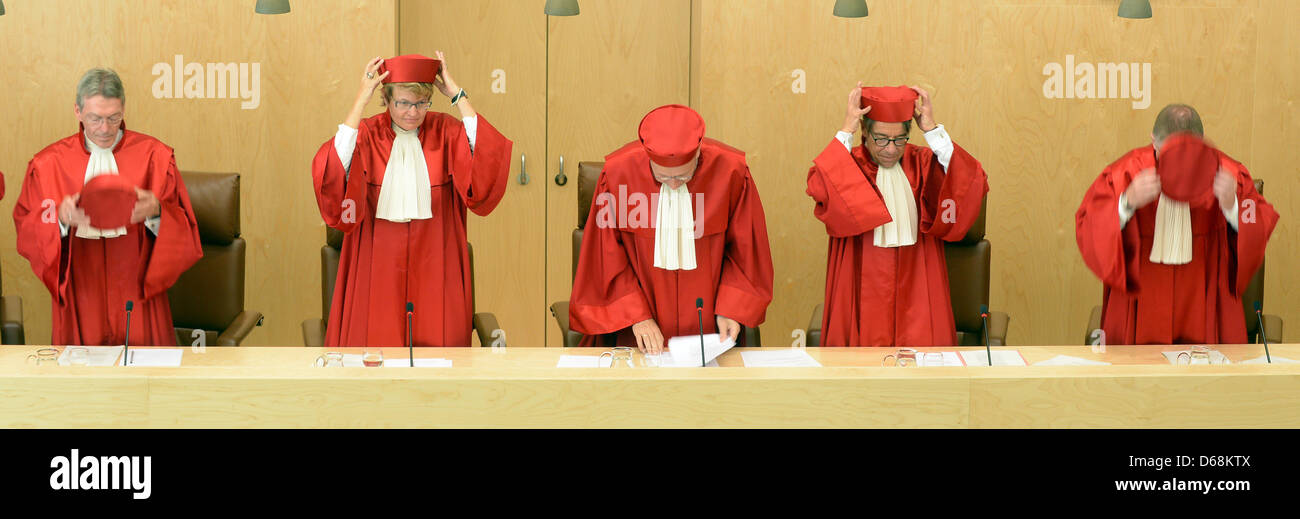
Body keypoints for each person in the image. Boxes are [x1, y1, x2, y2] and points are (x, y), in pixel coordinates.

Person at [311, 52, 511, 347]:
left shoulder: (445, 131)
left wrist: (457, 94)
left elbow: (486, 155)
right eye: (402, 103)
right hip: (376, 259)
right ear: (387, 100)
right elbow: (332, 170)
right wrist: (360, 100)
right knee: (375, 347)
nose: (412, 112)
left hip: (435, 256)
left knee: (439, 352)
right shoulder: (366, 133)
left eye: (421, 103)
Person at [13, 68, 203, 346]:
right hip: (81, 288)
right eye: (95, 118)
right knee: (83, 384)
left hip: (138, 289)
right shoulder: (47, 165)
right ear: (77, 111)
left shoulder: (156, 158)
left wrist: (159, 213)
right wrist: (58, 220)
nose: (105, 128)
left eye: (114, 118)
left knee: (147, 382)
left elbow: (187, 230)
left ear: (123, 109)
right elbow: (26, 231)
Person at [569, 104, 774, 354]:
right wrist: (636, 315)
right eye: (664, 178)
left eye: (684, 177)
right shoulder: (616, 175)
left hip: (709, 329)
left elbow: (745, 250)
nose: (675, 185)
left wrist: (731, 308)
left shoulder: (731, 172)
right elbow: (605, 256)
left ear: (699, 153)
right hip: (639, 331)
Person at [1075, 104, 1277, 344]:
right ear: (1154, 142)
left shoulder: (1230, 175)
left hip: (1204, 298)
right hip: (1141, 304)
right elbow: (1089, 225)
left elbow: (1259, 223)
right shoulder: (1124, 175)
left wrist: (1233, 205)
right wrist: (1126, 203)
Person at [806, 83, 988, 346]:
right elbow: (819, 185)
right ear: (865, 133)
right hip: (861, 281)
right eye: (881, 138)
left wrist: (933, 131)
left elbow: (972, 181)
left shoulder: (923, 164)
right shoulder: (850, 164)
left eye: (899, 139)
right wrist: (846, 129)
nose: (890, 149)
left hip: (918, 278)